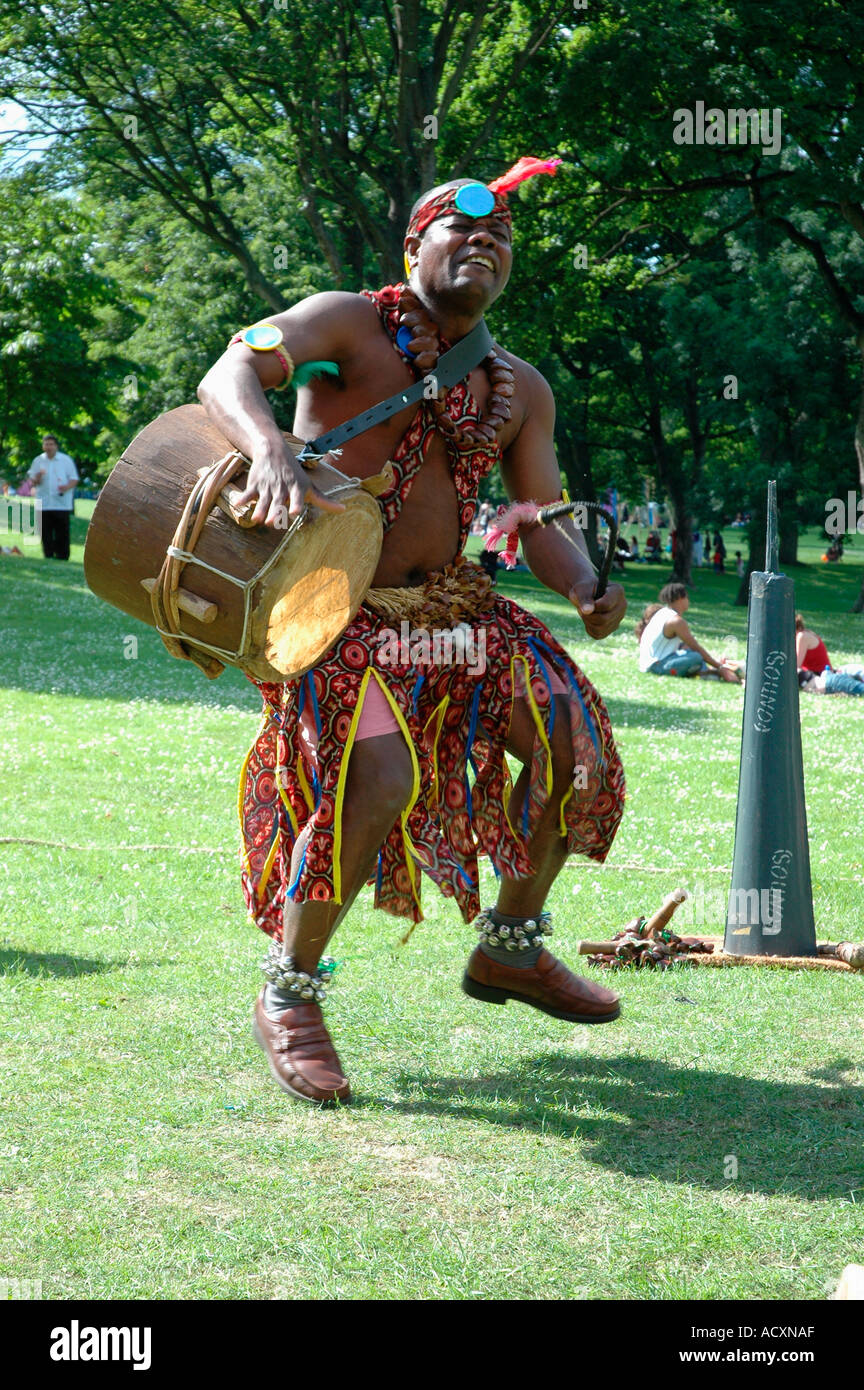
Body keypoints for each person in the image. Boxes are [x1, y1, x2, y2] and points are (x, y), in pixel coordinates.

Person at [196, 160, 627, 1105]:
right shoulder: (345, 322)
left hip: (454, 610)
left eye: (501, 238)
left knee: (576, 749)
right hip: (330, 610)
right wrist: (267, 445)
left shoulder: (518, 387)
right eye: (459, 230)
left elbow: (536, 517)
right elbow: (231, 366)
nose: (484, 244)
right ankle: (292, 991)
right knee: (377, 778)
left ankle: (510, 948)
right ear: (412, 248)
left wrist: (587, 581)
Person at [636, 582, 742, 680]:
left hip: (648, 665)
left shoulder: (662, 613)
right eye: (686, 597)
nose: (688, 601)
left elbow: (684, 646)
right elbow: (696, 648)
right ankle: (717, 673)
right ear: (679, 598)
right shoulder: (676, 621)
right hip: (656, 667)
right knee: (696, 656)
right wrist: (720, 667)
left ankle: (710, 673)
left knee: (691, 653)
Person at [27, 434, 79, 560]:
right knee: (46, 532)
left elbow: (74, 479)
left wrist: (66, 487)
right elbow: (32, 482)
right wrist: (38, 476)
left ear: (56, 446)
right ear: (43, 446)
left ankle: (62, 555)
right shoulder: (38, 461)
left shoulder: (65, 460)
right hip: (44, 502)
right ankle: (48, 554)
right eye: (46, 444)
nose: (49, 447)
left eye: (51, 444)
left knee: (62, 532)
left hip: (61, 503)